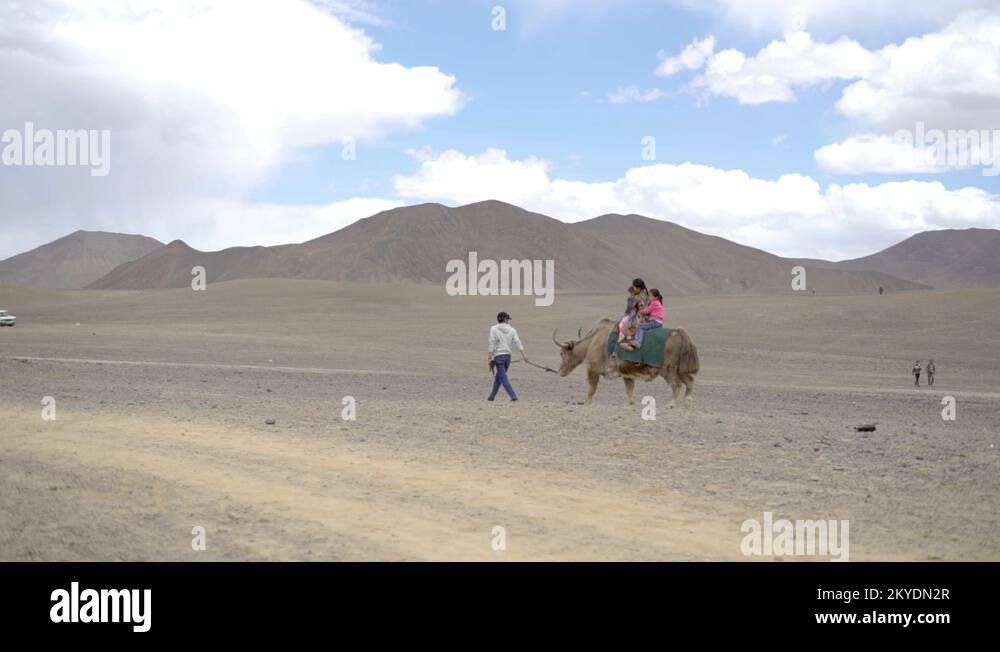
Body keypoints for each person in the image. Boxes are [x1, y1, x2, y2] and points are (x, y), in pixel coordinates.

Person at [488, 311, 527, 402]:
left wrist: (489, 357)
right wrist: (524, 355)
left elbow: (491, 343)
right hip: (508, 357)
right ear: (505, 319)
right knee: (499, 377)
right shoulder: (512, 330)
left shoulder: (493, 329)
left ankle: (513, 396)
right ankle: (491, 397)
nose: (509, 321)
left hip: (498, 357)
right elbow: (518, 342)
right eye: (508, 319)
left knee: (502, 377)